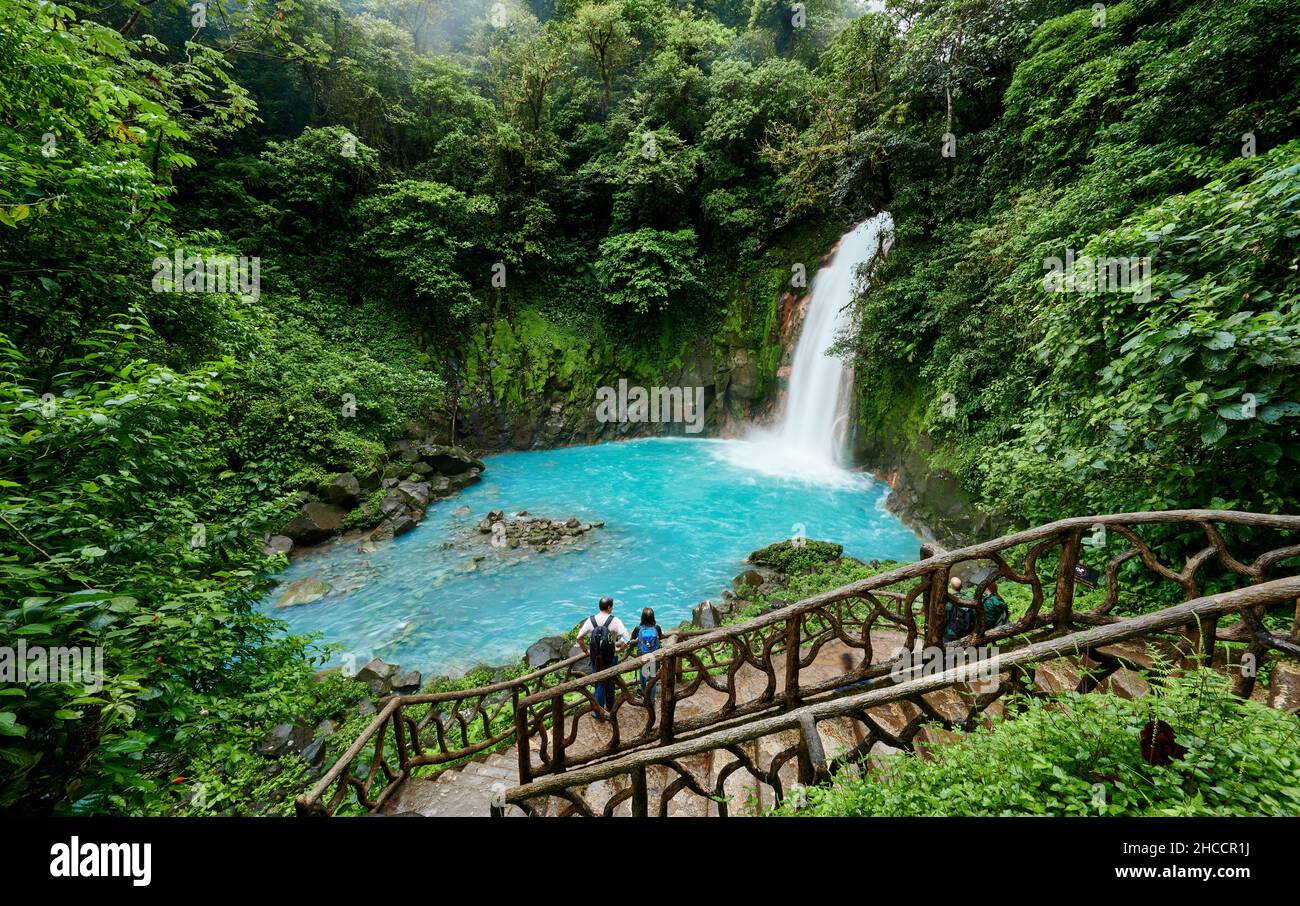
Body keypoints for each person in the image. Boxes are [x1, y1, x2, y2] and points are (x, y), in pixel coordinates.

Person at [576, 596, 629, 717]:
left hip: (596, 659)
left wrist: (586, 650)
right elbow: (627, 637)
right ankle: (611, 708)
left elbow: (579, 638)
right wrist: (620, 649)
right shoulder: (615, 621)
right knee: (610, 682)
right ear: (609, 607)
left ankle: (598, 713)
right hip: (611, 657)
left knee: (599, 683)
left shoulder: (590, 620)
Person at [629, 608, 664, 706]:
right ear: (653, 617)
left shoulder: (638, 628)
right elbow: (660, 638)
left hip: (643, 655)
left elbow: (632, 639)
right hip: (654, 655)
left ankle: (645, 695)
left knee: (643, 675)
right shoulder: (657, 627)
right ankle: (652, 699)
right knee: (652, 676)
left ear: (642, 618)